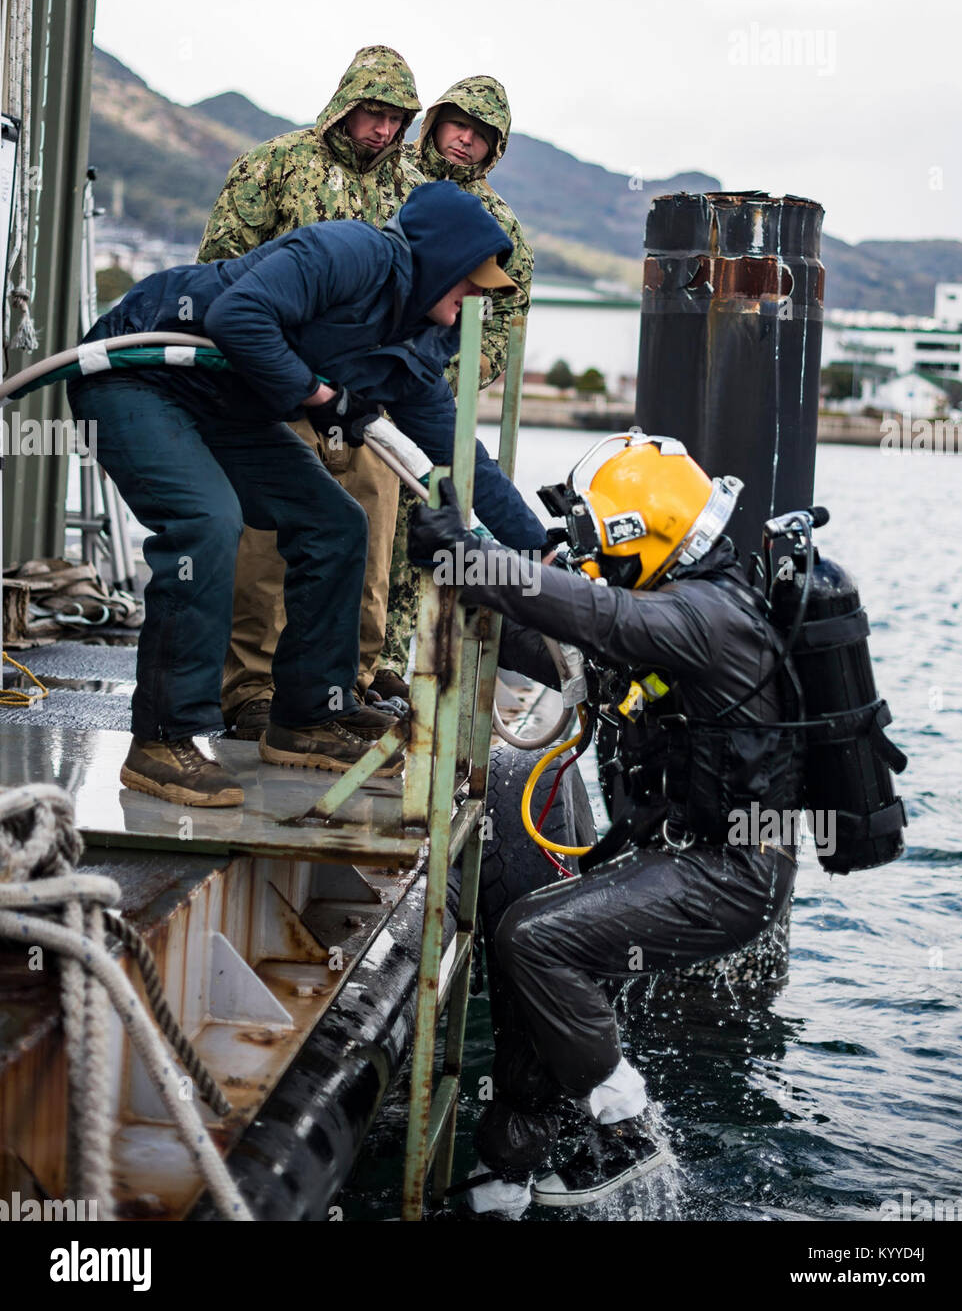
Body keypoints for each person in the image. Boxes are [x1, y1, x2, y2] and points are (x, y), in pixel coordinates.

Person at [408, 432, 802, 1215]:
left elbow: (595, 611)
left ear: (640, 535)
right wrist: (463, 568)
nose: (585, 561)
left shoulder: (705, 616)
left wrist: (472, 560)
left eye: (595, 542)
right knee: (531, 977)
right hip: (671, 855)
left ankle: (625, 1130)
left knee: (533, 937)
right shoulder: (671, 606)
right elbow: (560, 631)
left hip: (726, 873)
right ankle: (510, 1170)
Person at [68, 180, 549, 808]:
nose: (479, 294)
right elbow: (235, 316)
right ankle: (163, 739)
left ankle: (307, 718)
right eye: (472, 279)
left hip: (225, 406)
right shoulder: (350, 251)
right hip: (139, 372)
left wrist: (538, 549)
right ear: (442, 262)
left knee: (336, 524)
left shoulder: (411, 355)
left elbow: (465, 463)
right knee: (207, 523)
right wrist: (321, 397)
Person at [198, 44, 424, 738]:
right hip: (278, 389)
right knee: (266, 548)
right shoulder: (271, 165)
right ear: (346, 104)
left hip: (364, 401)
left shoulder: (413, 191)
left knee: (368, 544)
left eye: (396, 119)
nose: (383, 130)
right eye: (373, 114)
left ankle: (340, 688)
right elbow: (219, 269)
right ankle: (253, 692)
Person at [375, 75, 534, 704]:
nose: (465, 140)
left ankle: (392, 665)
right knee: (353, 521)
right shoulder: (388, 180)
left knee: (423, 528)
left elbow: (500, 328)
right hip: (354, 384)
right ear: (436, 122)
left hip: (427, 397)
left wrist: (444, 379)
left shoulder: (505, 231)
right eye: (457, 125)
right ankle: (334, 671)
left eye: (481, 134)